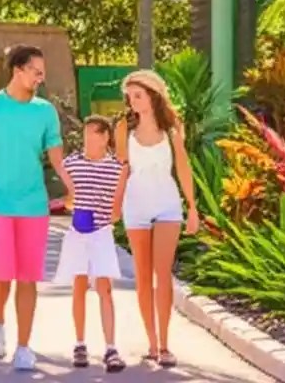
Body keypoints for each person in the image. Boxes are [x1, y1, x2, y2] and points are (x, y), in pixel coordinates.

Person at [0, 44, 74, 372]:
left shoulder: (45, 112)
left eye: (43, 73)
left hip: (33, 206)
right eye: (36, 72)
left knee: (27, 277)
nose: (40, 78)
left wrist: (71, 186)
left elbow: (56, 158)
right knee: (1, 275)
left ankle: (23, 346)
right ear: (17, 70)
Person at [113, 69, 199, 368]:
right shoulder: (124, 128)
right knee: (142, 273)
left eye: (138, 95)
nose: (133, 101)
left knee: (163, 274)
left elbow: (184, 169)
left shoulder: (172, 129)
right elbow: (122, 168)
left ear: (153, 95)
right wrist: (113, 206)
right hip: (135, 205)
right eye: (130, 97)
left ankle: (165, 344)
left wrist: (192, 207)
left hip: (167, 205)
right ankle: (151, 342)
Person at [53, 114, 127, 372]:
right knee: (79, 286)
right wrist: (74, 206)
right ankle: (80, 344)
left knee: (105, 288)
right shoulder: (71, 164)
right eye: (86, 134)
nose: (89, 140)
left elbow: (117, 210)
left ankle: (111, 348)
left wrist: (103, 214)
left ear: (106, 137)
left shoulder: (117, 169)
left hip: (102, 232)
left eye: (95, 134)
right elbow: (69, 199)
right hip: (77, 233)